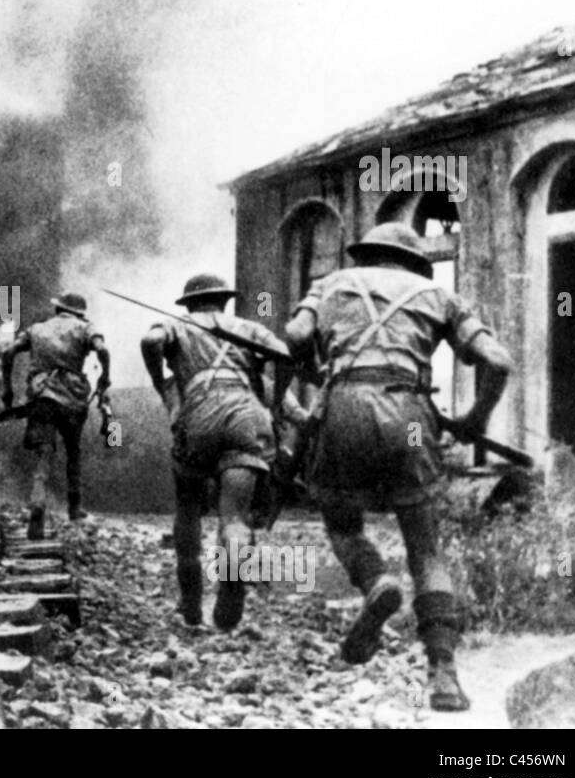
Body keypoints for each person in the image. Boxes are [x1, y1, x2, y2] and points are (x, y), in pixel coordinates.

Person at [282, 221, 512, 712]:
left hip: (341, 410)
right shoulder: (438, 294)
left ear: (366, 256)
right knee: (425, 548)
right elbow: (498, 360)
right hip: (407, 415)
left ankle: (375, 582)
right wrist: (473, 419)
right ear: (414, 262)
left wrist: (315, 363)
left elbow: (294, 335)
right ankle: (443, 674)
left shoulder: (329, 285)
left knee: (343, 525)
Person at [141, 273, 286, 631]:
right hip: (245, 417)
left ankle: (191, 606)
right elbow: (285, 355)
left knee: (188, 509)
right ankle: (232, 588)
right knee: (234, 518)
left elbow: (149, 340)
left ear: (189, 304)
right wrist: (276, 402)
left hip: (199, 415)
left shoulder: (177, 325)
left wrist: (163, 386)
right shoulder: (248, 328)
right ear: (223, 301)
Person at [0, 292, 109, 539]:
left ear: (57, 310)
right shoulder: (85, 328)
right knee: (73, 451)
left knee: (44, 454)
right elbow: (102, 350)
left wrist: (8, 390)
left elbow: (8, 352)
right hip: (72, 396)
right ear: (80, 312)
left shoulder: (36, 329)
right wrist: (104, 377)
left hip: (42, 396)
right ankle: (74, 508)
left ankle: (38, 503)